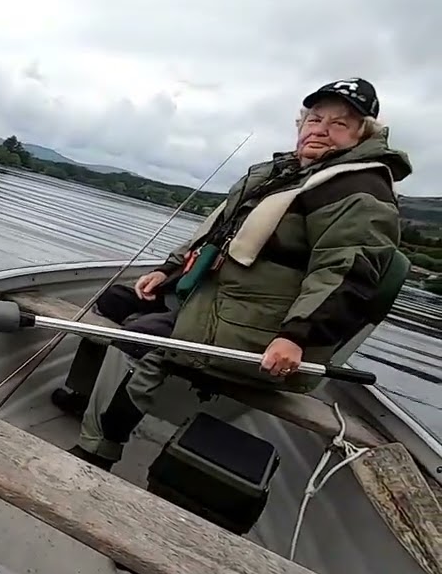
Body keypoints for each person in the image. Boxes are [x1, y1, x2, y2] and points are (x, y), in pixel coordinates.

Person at [65, 77, 412, 471]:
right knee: (115, 300)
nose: (320, 130)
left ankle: (97, 450)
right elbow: (218, 231)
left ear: (363, 134)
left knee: (143, 338)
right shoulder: (284, 174)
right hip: (216, 302)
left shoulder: (360, 190)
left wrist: (296, 336)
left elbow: (348, 273)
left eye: (339, 124)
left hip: (265, 331)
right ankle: (85, 398)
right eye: (315, 119)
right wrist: (168, 270)